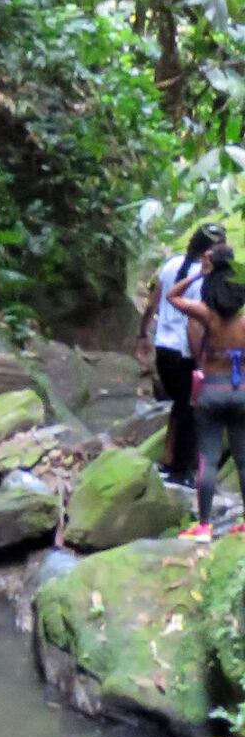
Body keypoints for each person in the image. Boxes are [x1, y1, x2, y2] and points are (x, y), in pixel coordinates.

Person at [138, 223, 226, 484]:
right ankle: (180, 470)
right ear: (210, 252)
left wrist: (142, 334)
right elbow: (193, 324)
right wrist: (202, 360)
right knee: (190, 409)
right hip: (183, 352)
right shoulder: (205, 279)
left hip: (163, 348)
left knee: (179, 406)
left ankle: (168, 460)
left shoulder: (171, 264)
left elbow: (152, 304)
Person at [168, 244, 245, 539]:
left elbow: (172, 296)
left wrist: (198, 275)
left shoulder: (207, 316)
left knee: (208, 460)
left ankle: (203, 525)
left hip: (211, 392)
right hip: (241, 393)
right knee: (243, 460)